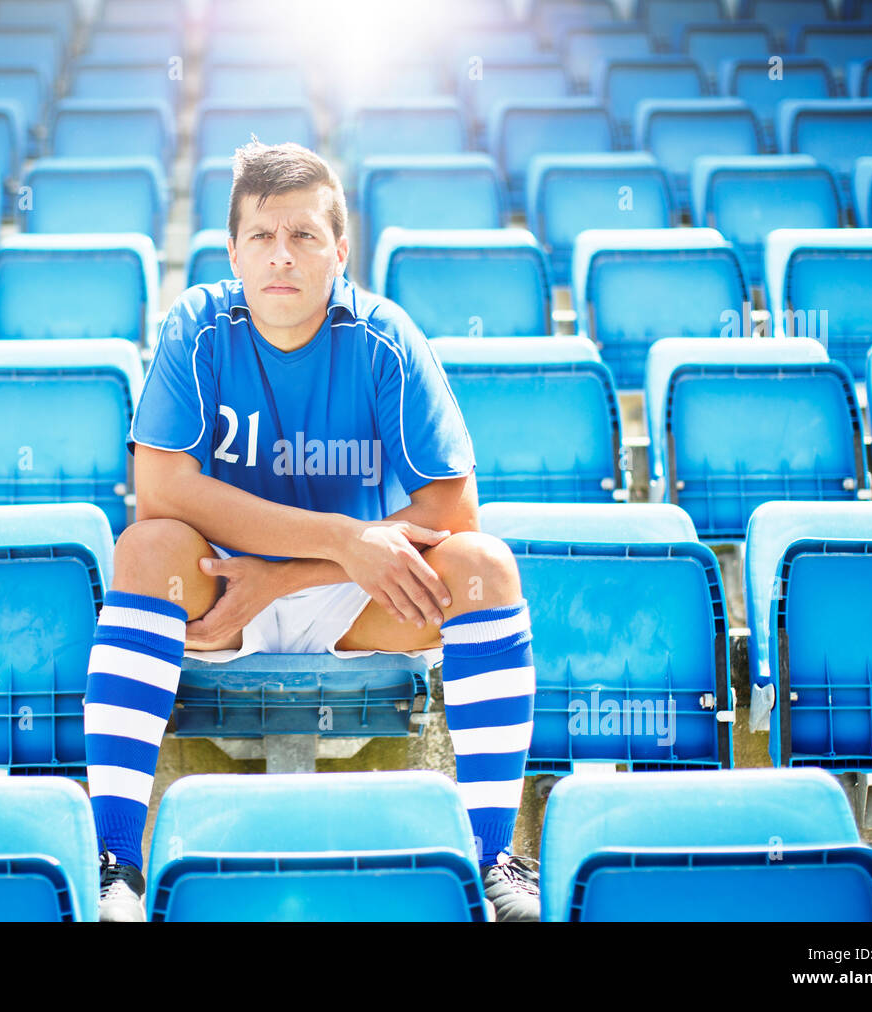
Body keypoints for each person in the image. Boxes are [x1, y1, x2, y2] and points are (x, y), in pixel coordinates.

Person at [85, 141, 539, 921]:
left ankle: (488, 860)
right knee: (144, 550)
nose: (281, 257)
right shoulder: (197, 327)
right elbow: (160, 493)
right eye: (261, 237)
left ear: (340, 249)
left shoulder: (384, 337)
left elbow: (452, 511)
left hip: (350, 595)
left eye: (303, 236)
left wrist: (303, 568)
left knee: (485, 567)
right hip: (222, 589)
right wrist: (335, 536)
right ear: (232, 251)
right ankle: (116, 862)